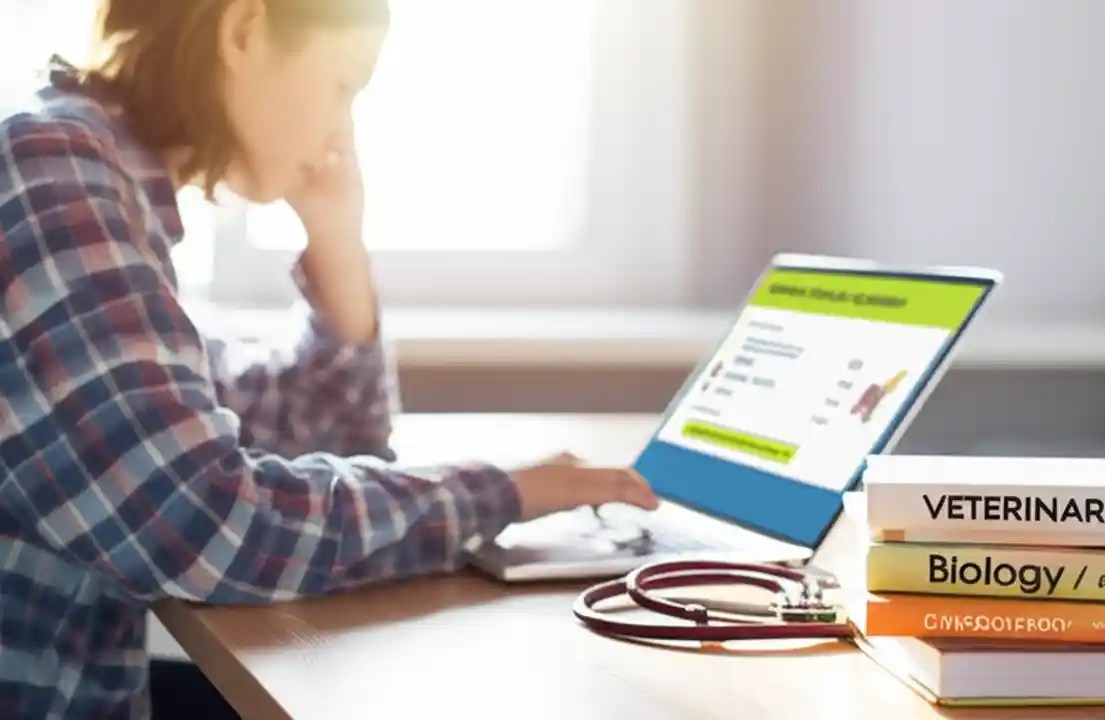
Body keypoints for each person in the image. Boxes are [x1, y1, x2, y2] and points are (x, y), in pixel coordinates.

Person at [0, 1, 659, 718]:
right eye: (343, 84)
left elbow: (331, 440)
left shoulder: (96, 184)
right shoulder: (49, 175)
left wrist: (336, 236)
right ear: (243, 29)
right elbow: (206, 521)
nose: (339, 130)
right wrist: (504, 492)